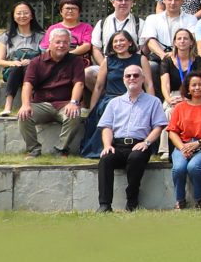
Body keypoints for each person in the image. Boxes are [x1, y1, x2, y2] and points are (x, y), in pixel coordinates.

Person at [92, 64, 166, 212]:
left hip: (140, 144)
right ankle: (105, 205)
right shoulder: (114, 103)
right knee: (105, 160)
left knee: (136, 158)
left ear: (143, 79)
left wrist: (146, 142)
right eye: (128, 76)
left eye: (136, 75)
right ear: (123, 79)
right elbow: (106, 126)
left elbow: (159, 126)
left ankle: (132, 199)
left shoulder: (153, 101)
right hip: (118, 145)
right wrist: (107, 145)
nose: (132, 78)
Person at [16, 28, 91, 157]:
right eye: (58, 42)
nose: (61, 45)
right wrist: (25, 104)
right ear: (50, 43)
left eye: (65, 42)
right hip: (41, 103)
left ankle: (61, 149)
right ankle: (33, 150)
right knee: (24, 115)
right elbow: (27, 85)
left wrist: (74, 102)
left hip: (65, 104)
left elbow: (79, 83)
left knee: (75, 114)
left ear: (69, 44)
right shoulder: (36, 62)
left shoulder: (76, 61)